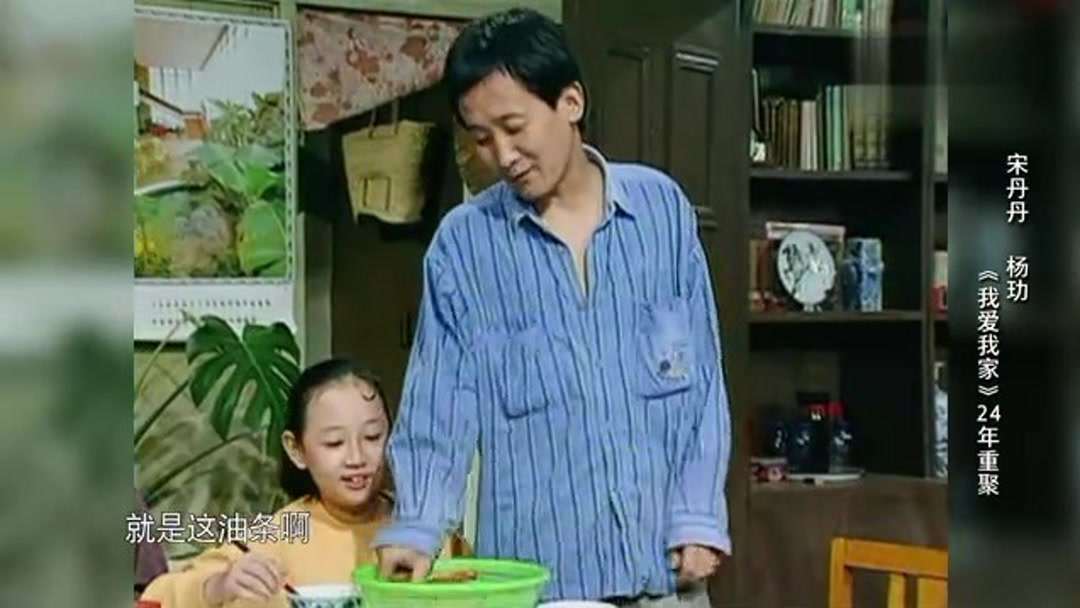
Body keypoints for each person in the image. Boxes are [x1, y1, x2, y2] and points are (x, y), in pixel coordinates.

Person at [373, 8, 733, 606]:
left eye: (514, 127)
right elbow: (439, 407)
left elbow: (702, 385)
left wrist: (698, 514)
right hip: (542, 585)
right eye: (482, 138)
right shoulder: (465, 246)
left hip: (666, 577)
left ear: (570, 101)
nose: (503, 155)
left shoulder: (662, 211)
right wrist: (417, 527)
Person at [141, 358, 465, 608]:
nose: (356, 457)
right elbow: (159, 597)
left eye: (372, 437)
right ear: (296, 449)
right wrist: (219, 587)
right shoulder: (280, 533)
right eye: (335, 443)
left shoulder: (425, 530)